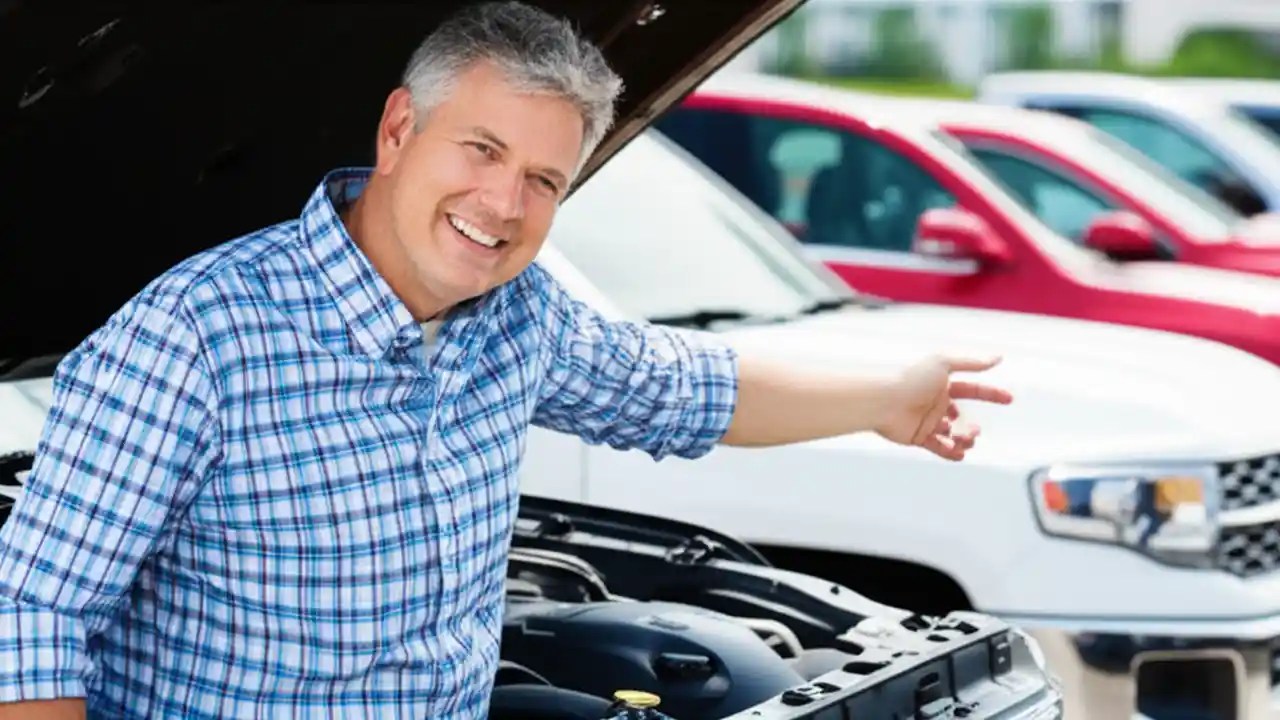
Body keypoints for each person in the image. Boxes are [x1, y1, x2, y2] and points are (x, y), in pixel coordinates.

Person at [0, 3, 1012, 719]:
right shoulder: (196, 337)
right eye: (478, 150)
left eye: (541, 178)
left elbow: (678, 390)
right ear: (401, 129)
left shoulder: (513, 315)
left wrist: (892, 396)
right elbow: (34, 618)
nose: (503, 205)